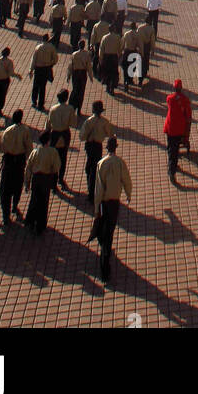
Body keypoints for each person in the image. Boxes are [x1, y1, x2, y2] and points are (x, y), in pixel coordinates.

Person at [92, 136, 132, 282]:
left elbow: (98, 188)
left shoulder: (101, 164)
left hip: (103, 203)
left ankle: (105, 253)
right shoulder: (120, 163)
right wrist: (128, 193)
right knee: (109, 230)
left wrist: (96, 208)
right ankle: (105, 260)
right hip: (114, 203)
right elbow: (126, 179)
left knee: (104, 230)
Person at [0, 109, 33, 226]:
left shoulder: (7, 131)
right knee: (18, 184)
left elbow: (2, 146)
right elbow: (29, 147)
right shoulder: (25, 130)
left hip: (8, 161)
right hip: (19, 161)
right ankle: (15, 205)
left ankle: (5, 215)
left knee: (5, 188)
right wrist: (30, 160)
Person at [24, 131, 61, 235]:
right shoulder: (52, 152)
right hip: (46, 178)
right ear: (48, 140)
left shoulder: (35, 152)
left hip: (36, 178)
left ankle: (30, 221)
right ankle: (40, 225)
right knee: (44, 201)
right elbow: (56, 166)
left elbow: (28, 168)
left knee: (34, 199)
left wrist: (27, 182)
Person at [79, 101, 113, 202]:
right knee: (95, 168)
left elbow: (82, 136)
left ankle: (91, 191)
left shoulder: (88, 121)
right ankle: (94, 190)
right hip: (98, 146)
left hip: (89, 146)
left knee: (89, 168)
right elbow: (110, 133)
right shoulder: (104, 122)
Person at [163, 78, 193, 182]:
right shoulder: (185, 100)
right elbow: (188, 115)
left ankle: (171, 164)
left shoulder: (170, 98)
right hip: (178, 128)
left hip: (169, 126)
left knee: (170, 146)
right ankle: (172, 170)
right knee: (174, 150)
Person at [47, 89, 74, 186]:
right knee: (63, 158)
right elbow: (72, 123)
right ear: (66, 98)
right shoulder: (70, 109)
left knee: (54, 158)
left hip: (55, 135)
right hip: (65, 134)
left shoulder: (53, 109)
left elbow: (48, 124)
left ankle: (53, 181)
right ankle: (61, 179)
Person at [0, 47, 20, 118]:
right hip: (4, 82)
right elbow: (11, 73)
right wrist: (17, 76)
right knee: (2, 96)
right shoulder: (9, 62)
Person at [29, 34, 58, 111]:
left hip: (38, 69)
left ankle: (34, 101)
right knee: (42, 86)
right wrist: (51, 64)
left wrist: (31, 70)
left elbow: (34, 59)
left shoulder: (38, 47)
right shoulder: (51, 47)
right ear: (48, 39)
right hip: (46, 69)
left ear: (42, 39)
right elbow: (55, 59)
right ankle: (41, 104)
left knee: (35, 85)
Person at [67, 38, 93, 116]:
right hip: (82, 74)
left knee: (75, 90)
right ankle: (79, 109)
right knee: (81, 91)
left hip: (75, 73)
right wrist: (90, 76)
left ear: (78, 45)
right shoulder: (87, 54)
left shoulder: (74, 54)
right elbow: (89, 66)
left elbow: (70, 66)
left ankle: (72, 107)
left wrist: (68, 75)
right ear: (84, 46)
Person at [99, 26, 122, 97]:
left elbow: (101, 49)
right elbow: (120, 47)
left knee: (107, 72)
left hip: (106, 57)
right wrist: (119, 55)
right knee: (114, 73)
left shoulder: (105, 37)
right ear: (114, 29)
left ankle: (107, 86)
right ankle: (112, 88)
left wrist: (101, 58)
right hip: (114, 56)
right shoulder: (118, 37)